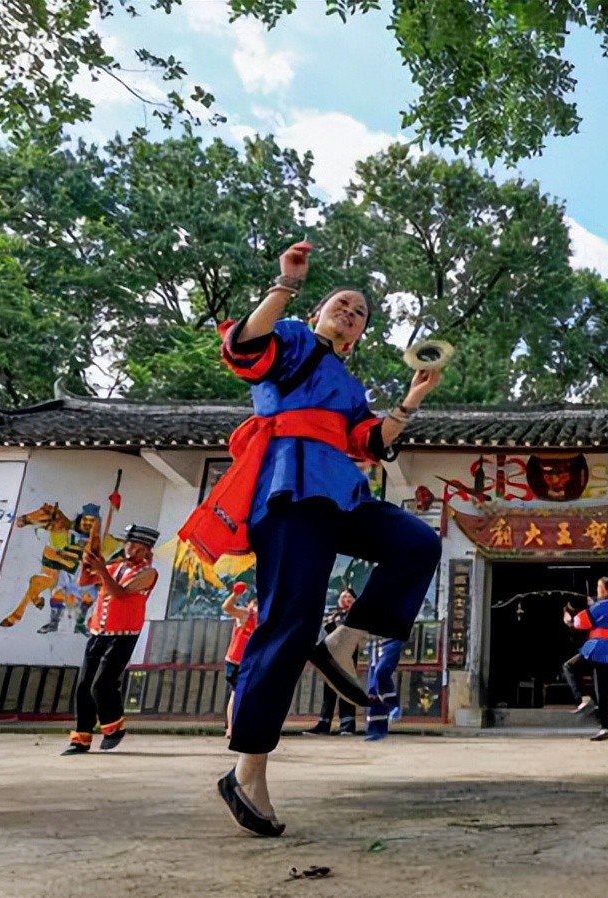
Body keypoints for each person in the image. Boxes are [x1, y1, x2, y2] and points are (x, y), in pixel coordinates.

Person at [179, 239, 444, 836]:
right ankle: (248, 769)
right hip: (287, 487)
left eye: (360, 313)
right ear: (320, 314)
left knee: (416, 544)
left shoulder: (350, 385)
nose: (350, 312)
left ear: (358, 337)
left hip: (339, 492)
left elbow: (372, 442)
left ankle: (344, 641)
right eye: (342, 304)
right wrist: (286, 283)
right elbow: (245, 346)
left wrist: (412, 398)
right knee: (286, 623)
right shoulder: (293, 338)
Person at [62, 524, 160, 755]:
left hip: (123, 635)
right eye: (130, 544)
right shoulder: (114, 566)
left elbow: (120, 593)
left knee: (103, 683)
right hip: (99, 632)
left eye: (138, 546)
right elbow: (84, 581)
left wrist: (102, 569)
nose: (132, 549)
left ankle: (113, 727)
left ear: (146, 551)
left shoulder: (148, 574)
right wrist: (89, 560)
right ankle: (81, 738)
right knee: (84, 686)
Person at [563, 576, 608, 741]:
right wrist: (592, 604)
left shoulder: (602, 606)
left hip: (598, 648)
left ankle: (583, 698)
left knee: (569, 667)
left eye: (599, 587)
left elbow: (581, 622)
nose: (597, 590)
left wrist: (569, 620)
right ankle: (605, 727)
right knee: (603, 689)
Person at [303, 587, 358, 736]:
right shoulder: (334, 614)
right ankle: (324, 723)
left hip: (347, 657)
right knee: (329, 690)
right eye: (343, 597)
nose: (345, 599)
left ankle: (347, 725)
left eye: (348, 597)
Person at [221, 582, 258, 740]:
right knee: (237, 693)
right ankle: (231, 728)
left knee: (247, 694)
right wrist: (235, 595)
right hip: (235, 662)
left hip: (250, 662)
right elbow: (227, 608)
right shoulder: (246, 614)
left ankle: (242, 726)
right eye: (256, 604)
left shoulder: (264, 620)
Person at [363, 633, 406, 742]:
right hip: (374, 641)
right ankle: (377, 729)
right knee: (373, 686)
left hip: (392, 637)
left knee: (381, 672)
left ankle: (392, 704)